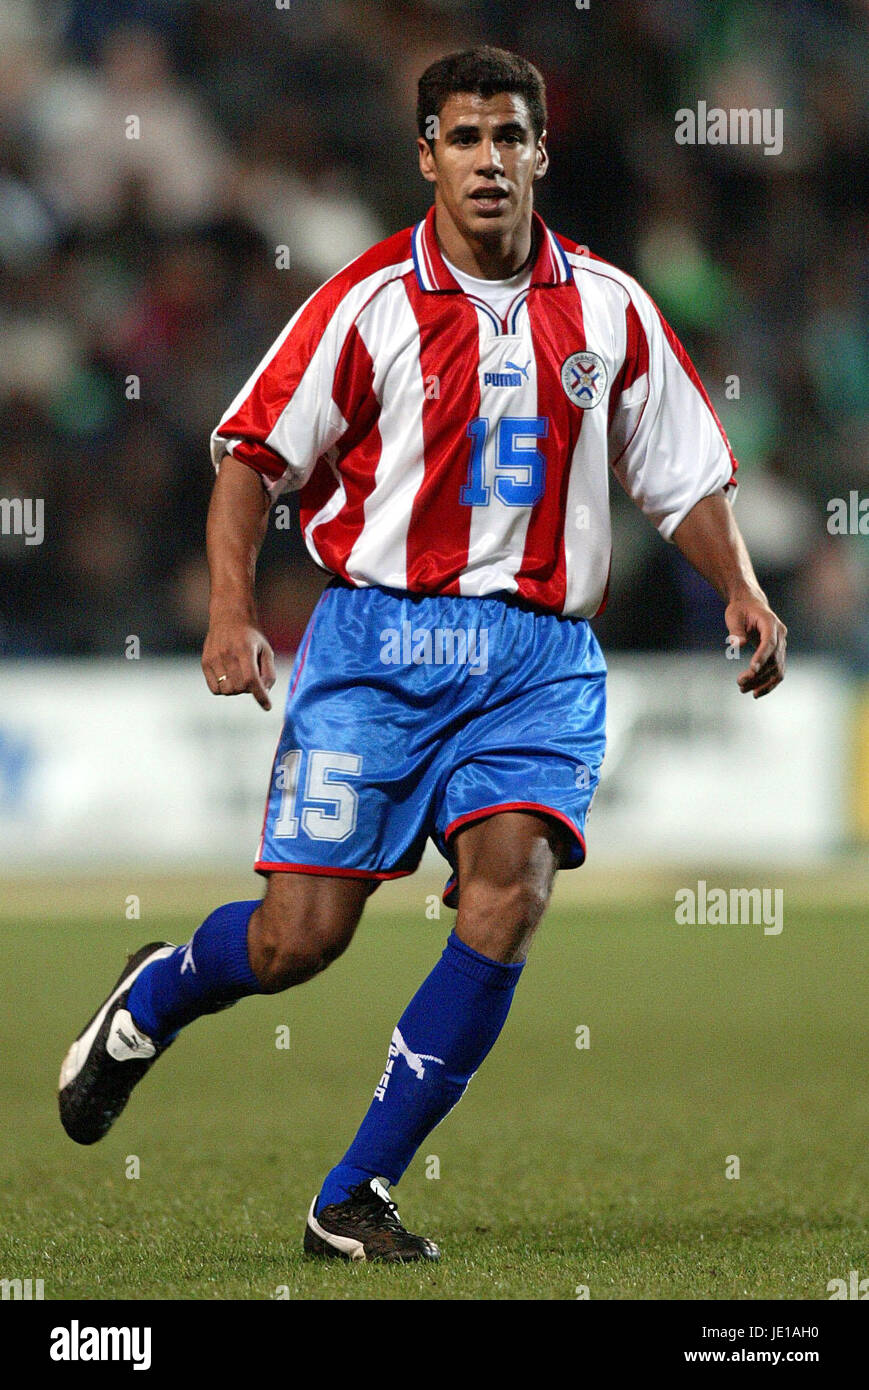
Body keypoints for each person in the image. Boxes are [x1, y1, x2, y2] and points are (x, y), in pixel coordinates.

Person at [59, 46, 787, 1263]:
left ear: (541, 153)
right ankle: (153, 996)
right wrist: (231, 612)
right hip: (377, 648)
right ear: (425, 157)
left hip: (540, 657)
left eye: (509, 138)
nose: (488, 162)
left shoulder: (605, 306)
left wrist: (742, 588)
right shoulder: (363, 303)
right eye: (463, 139)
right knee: (301, 940)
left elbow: (681, 475)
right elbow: (250, 461)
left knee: (510, 890)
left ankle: (354, 1191)